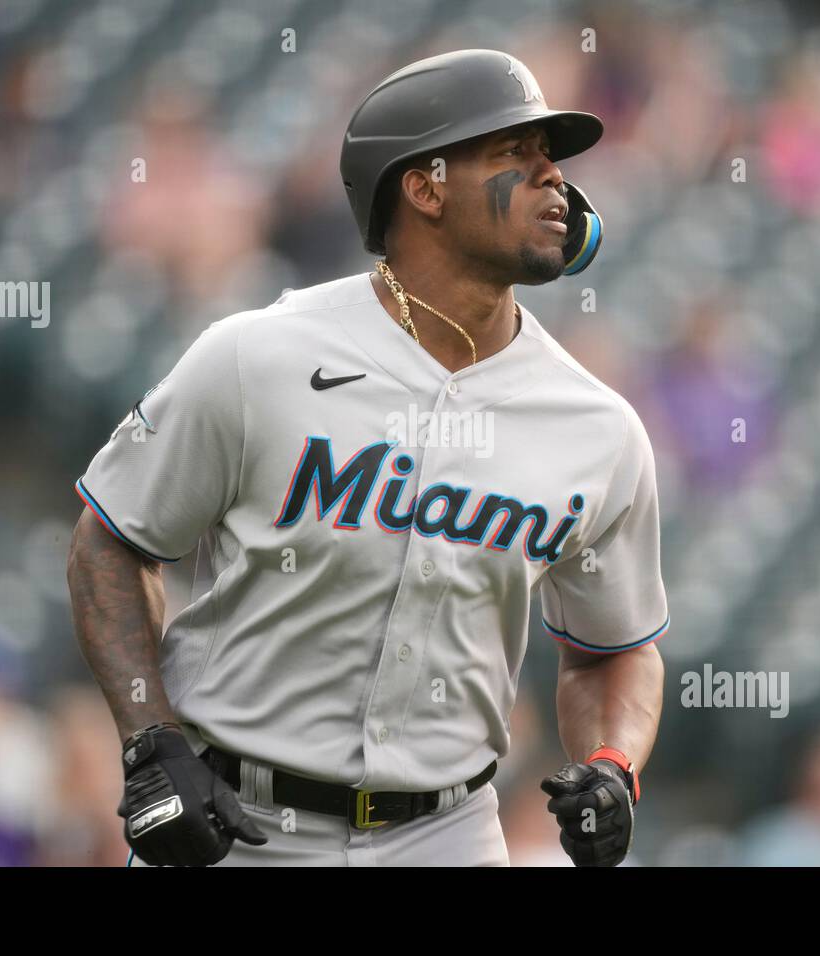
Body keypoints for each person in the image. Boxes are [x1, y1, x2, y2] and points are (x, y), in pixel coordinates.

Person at [67, 49, 669, 867]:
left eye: (552, 159)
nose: (553, 179)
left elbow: (615, 653)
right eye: (513, 157)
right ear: (423, 188)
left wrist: (612, 763)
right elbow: (110, 542)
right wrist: (149, 739)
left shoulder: (599, 428)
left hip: (448, 835)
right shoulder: (256, 357)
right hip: (235, 828)